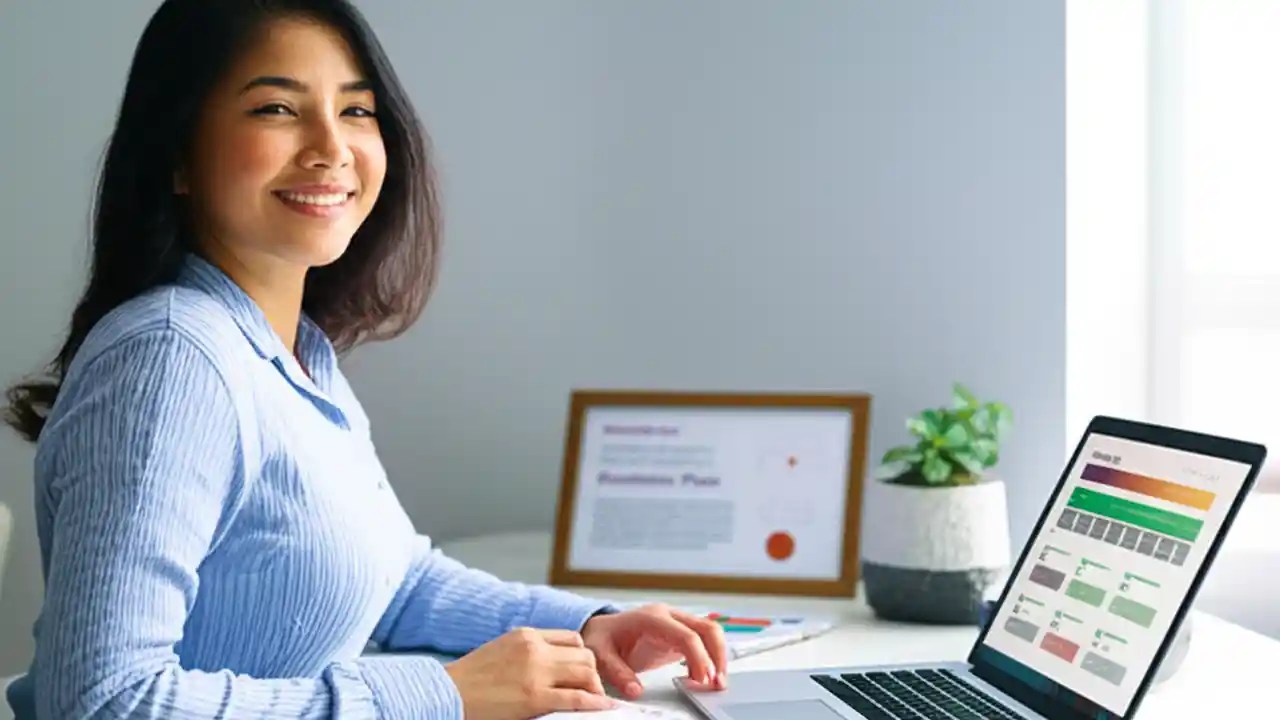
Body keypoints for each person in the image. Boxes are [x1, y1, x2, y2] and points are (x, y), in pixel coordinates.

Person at [1, 1, 728, 718]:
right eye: (277, 110)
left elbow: (396, 582)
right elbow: (102, 702)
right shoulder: (171, 358)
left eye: (356, 111)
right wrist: (444, 696)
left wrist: (588, 626)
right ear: (178, 157)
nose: (331, 147)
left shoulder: (293, 353)